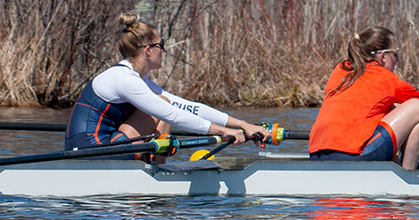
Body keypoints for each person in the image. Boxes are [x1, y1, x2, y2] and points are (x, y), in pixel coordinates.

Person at [65, 14, 268, 152]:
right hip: (90, 150)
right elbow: (171, 114)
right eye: (160, 45)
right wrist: (223, 131)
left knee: (164, 101)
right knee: (162, 107)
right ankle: (157, 176)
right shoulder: (124, 80)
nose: (163, 49)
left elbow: (188, 107)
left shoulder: (137, 79)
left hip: (105, 145)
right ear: (147, 50)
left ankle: (157, 171)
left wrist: (242, 124)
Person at [308, 26, 419, 169]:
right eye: (396, 54)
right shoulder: (389, 81)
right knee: (417, 108)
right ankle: (407, 177)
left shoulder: (341, 69)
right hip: (352, 157)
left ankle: (393, 165)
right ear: (383, 56)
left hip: (316, 155)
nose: (398, 59)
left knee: (392, 108)